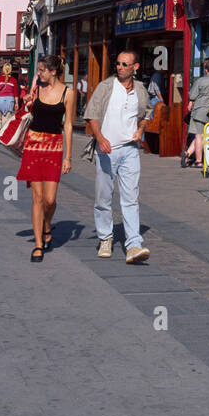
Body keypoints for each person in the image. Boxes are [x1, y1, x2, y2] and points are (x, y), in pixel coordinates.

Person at [84, 49, 152, 264]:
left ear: (135, 67)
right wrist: (100, 137)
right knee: (103, 197)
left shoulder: (140, 89)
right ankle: (105, 238)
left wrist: (140, 130)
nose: (120, 67)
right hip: (108, 150)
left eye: (125, 64)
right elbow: (92, 115)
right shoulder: (106, 87)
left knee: (130, 198)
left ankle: (133, 244)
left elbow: (146, 114)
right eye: (118, 63)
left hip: (130, 150)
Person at [17, 54, 76, 264]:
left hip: (54, 146)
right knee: (37, 198)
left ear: (53, 72)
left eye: (41, 70)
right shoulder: (36, 88)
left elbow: (68, 124)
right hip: (33, 144)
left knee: (50, 200)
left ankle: (47, 224)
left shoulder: (68, 93)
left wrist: (69, 156)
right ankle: (38, 245)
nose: (38, 73)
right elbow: (25, 111)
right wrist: (26, 102)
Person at [184, 58, 209, 168]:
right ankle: (187, 154)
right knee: (203, 136)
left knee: (198, 136)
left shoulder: (201, 81)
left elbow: (192, 95)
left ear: (206, 70)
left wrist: (190, 104)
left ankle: (198, 161)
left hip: (199, 112)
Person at [0, 63, 20, 128]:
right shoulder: (14, 80)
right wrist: (16, 103)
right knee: (6, 119)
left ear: (3, 69)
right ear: (11, 70)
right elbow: (16, 93)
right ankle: (2, 134)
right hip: (10, 101)